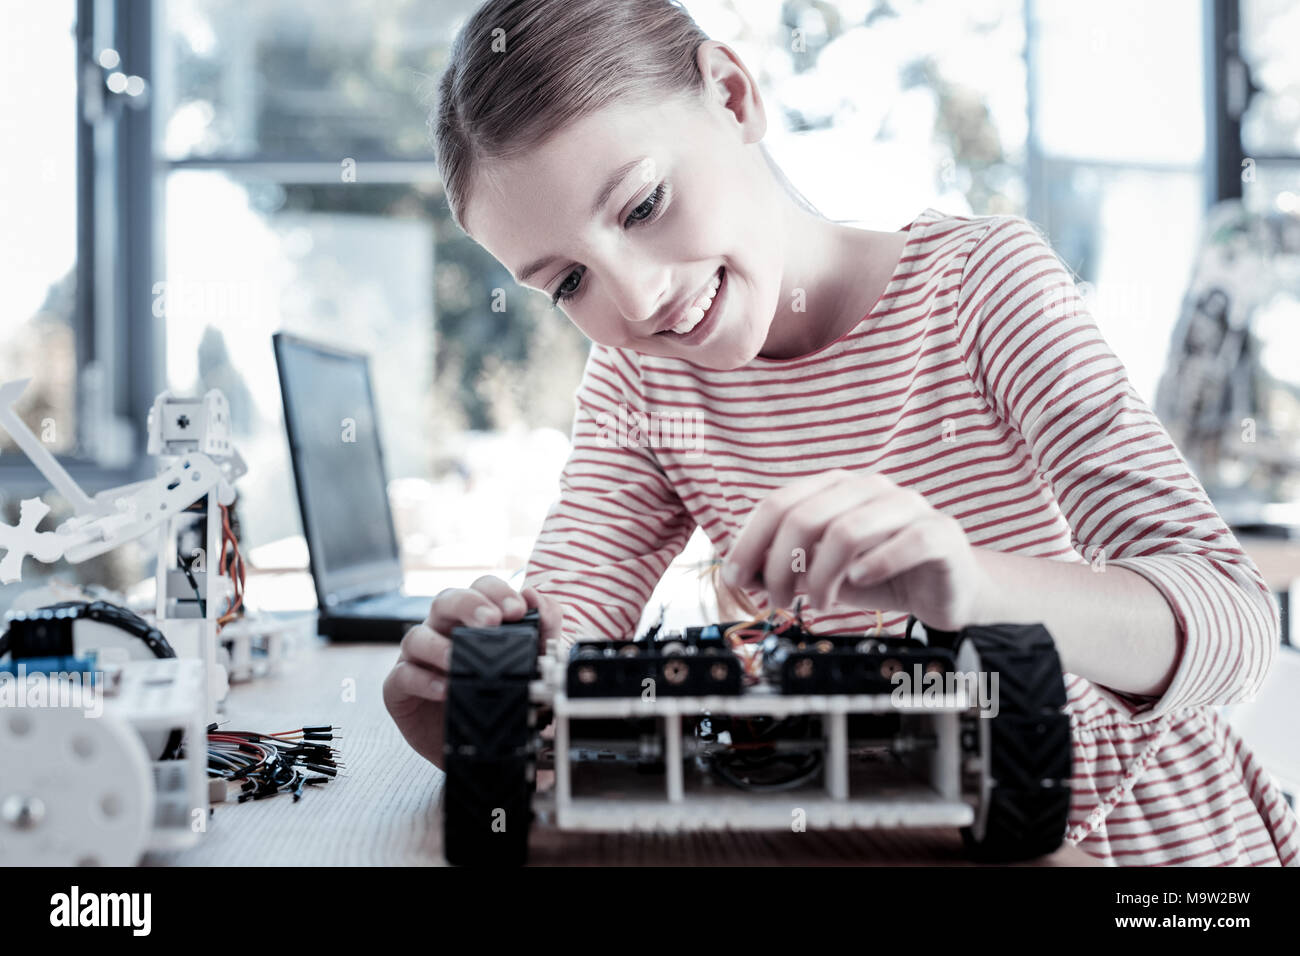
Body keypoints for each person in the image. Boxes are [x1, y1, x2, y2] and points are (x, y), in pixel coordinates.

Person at [383, 0, 1300, 866]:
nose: (637, 298)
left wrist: (977, 589)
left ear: (732, 96)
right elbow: (565, 653)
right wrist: (479, 706)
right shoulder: (642, 382)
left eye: (644, 206)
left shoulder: (980, 289)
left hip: (1143, 845)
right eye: (569, 283)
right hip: (909, 840)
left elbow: (1238, 627)